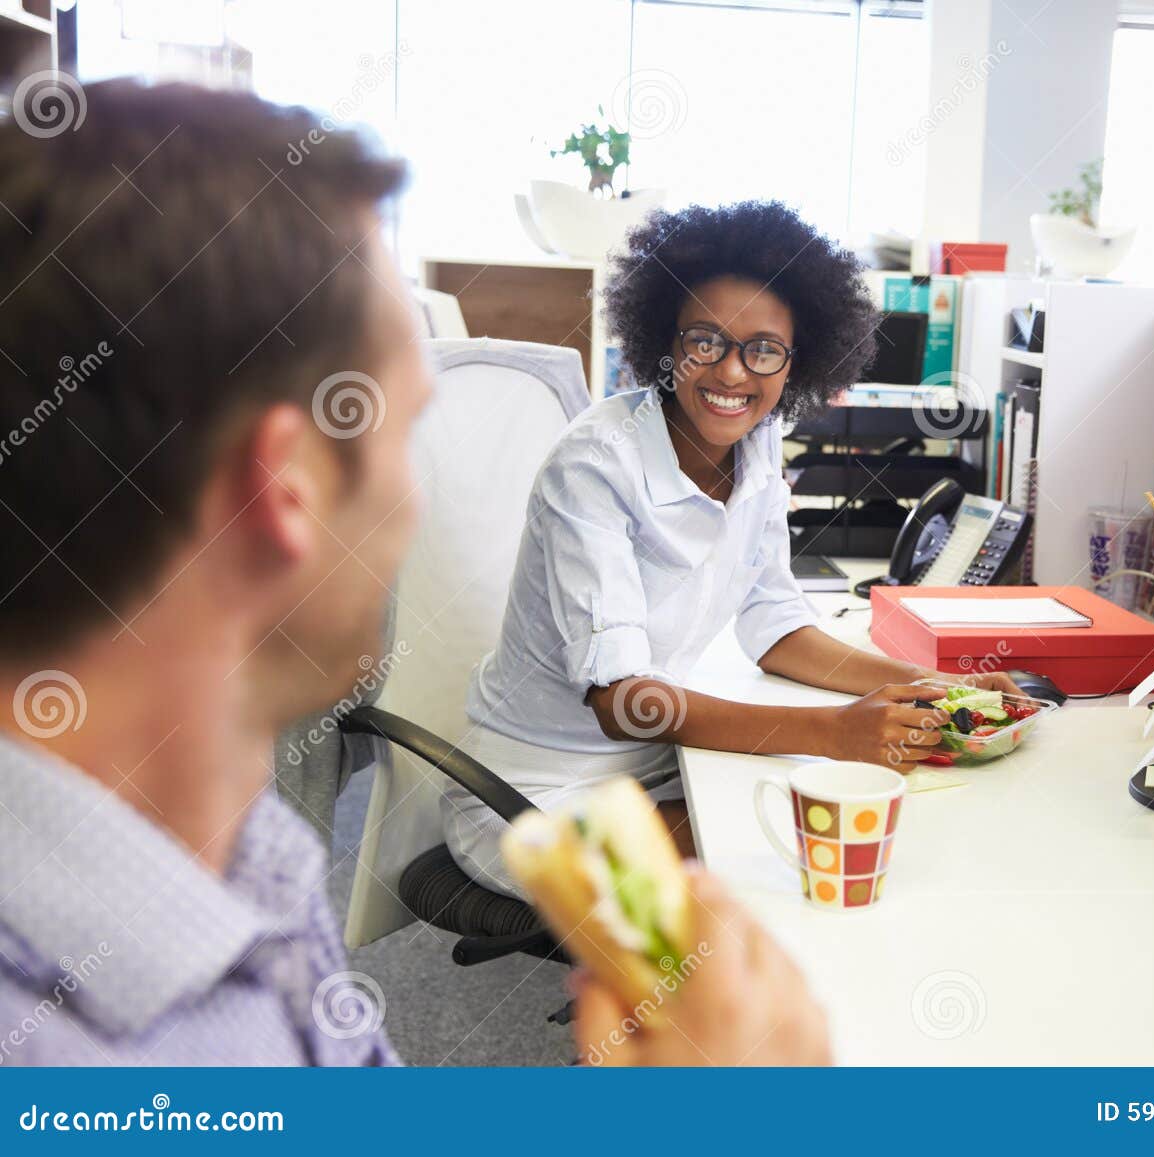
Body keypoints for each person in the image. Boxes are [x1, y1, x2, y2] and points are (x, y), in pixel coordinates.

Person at [0, 80, 824, 1067]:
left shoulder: (243, 854)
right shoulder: (73, 1054)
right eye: (406, 432)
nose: (425, 503)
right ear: (288, 488)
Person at [444, 202, 1020, 891]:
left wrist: (926, 688)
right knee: (780, 869)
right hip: (538, 797)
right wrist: (834, 732)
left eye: (764, 349)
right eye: (705, 341)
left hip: (653, 767)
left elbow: (775, 626)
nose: (733, 374)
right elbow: (624, 699)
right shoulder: (596, 466)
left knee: (864, 834)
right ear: (665, 339)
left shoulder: (757, 440)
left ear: (794, 361)